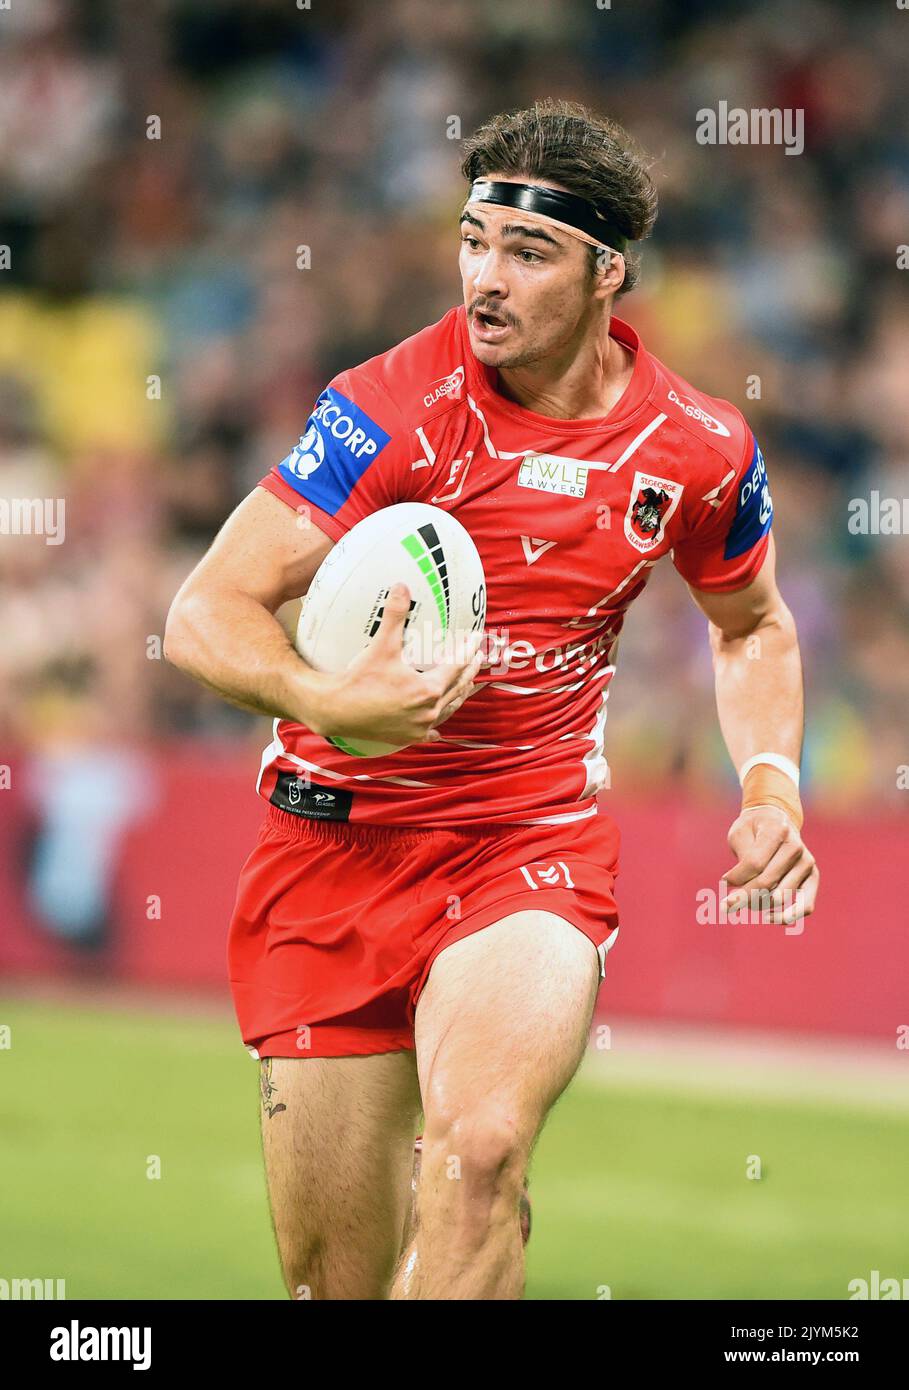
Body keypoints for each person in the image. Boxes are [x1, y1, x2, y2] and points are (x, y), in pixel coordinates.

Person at [164, 99, 819, 1300]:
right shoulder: (393, 406)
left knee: (479, 1156)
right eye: (473, 241)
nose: (485, 278)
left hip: (529, 845)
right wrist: (323, 692)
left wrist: (770, 780)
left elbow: (756, 624)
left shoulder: (697, 447)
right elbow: (202, 613)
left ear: (608, 273)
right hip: (330, 845)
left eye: (528, 253)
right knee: (333, 1287)